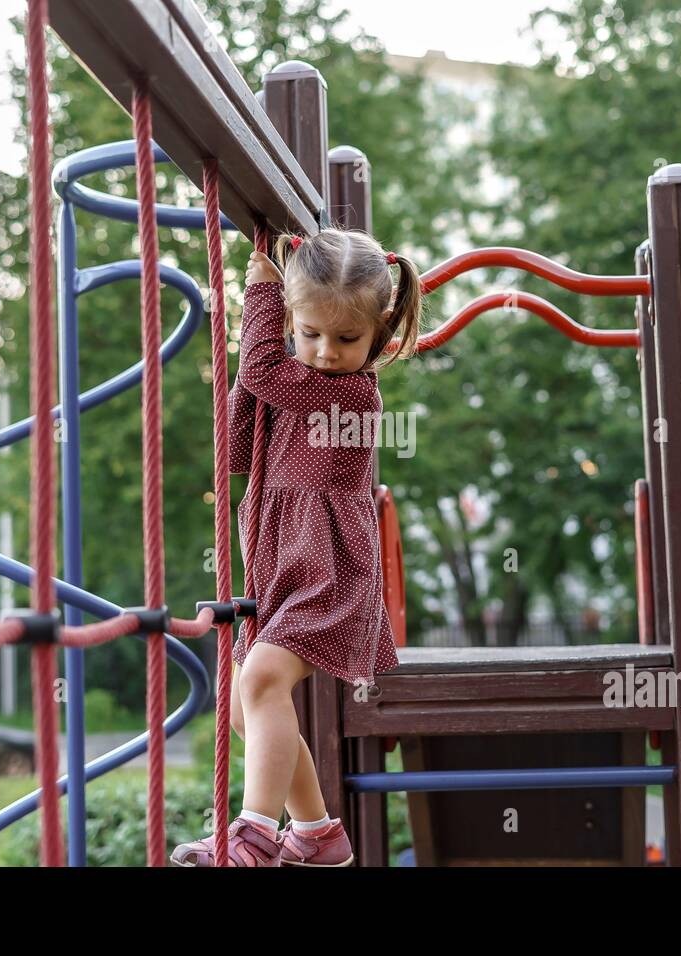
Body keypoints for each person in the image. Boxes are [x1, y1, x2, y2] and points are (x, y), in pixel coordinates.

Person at [171, 228, 422, 866]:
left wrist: (258, 294)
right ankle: (315, 833)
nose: (326, 352)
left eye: (347, 339)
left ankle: (253, 835)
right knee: (244, 707)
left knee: (258, 683)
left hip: (330, 569)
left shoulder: (352, 396)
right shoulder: (297, 381)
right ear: (293, 319)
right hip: (282, 560)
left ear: (379, 338)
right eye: (309, 332)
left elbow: (258, 367)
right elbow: (237, 446)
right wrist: (266, 329)